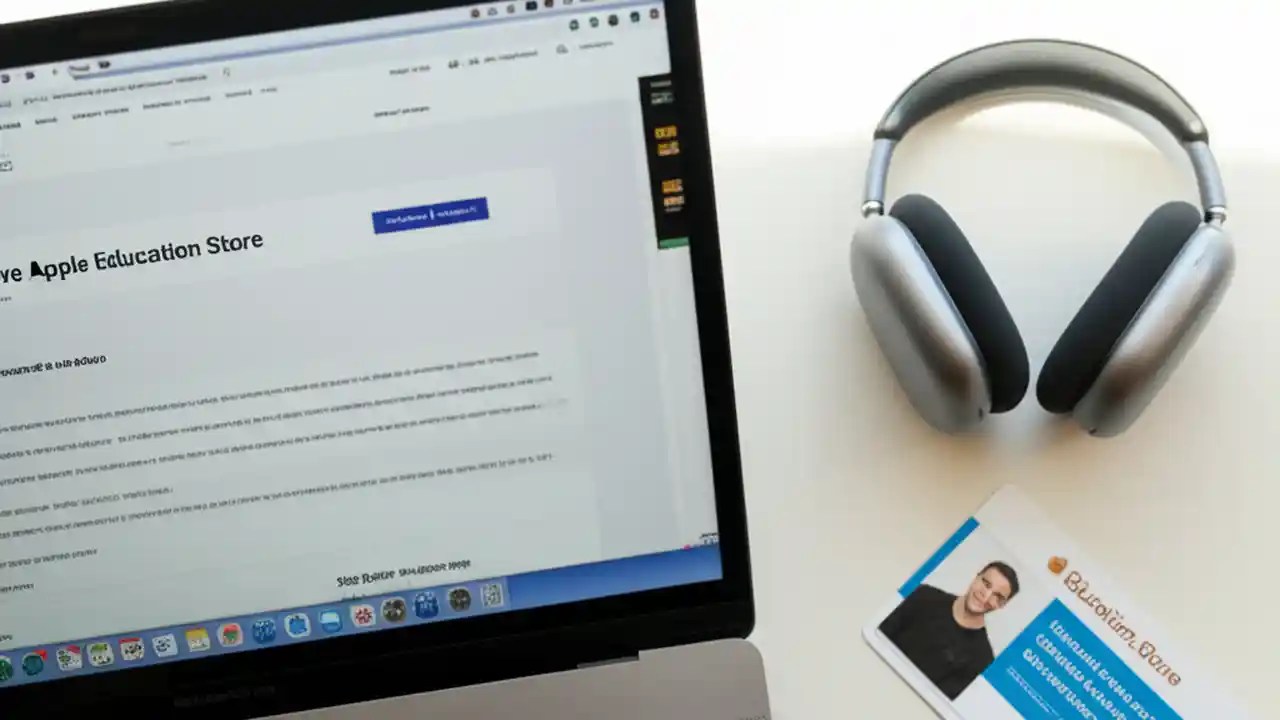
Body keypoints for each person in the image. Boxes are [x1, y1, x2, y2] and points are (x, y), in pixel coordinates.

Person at [878, 561, 1020, 700]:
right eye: (986, 584)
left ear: (1002, 605)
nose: (986, 596)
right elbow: (878, 634)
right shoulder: (923, 595)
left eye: (997, 596)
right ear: (976, 577)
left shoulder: (983, 660)